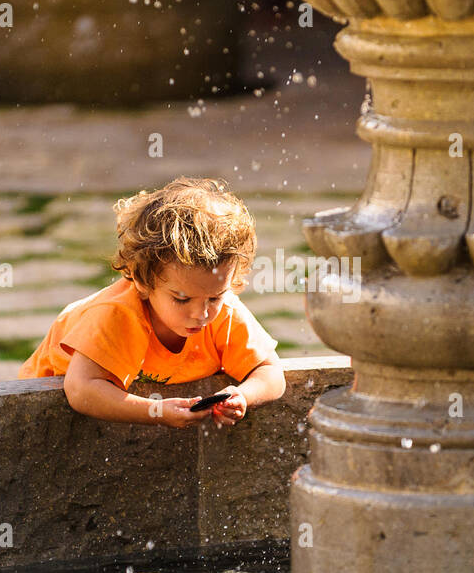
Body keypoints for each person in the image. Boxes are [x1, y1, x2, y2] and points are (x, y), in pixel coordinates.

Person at [18, 177, 286, 428]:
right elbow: (80, 389)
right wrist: (155, 411)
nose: (201, 313)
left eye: (214, 297)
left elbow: (271, 372)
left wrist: (243, 395)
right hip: (39, 410)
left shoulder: (225, 311)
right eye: (181, 299)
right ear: (143, 282)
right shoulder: (117, 313)